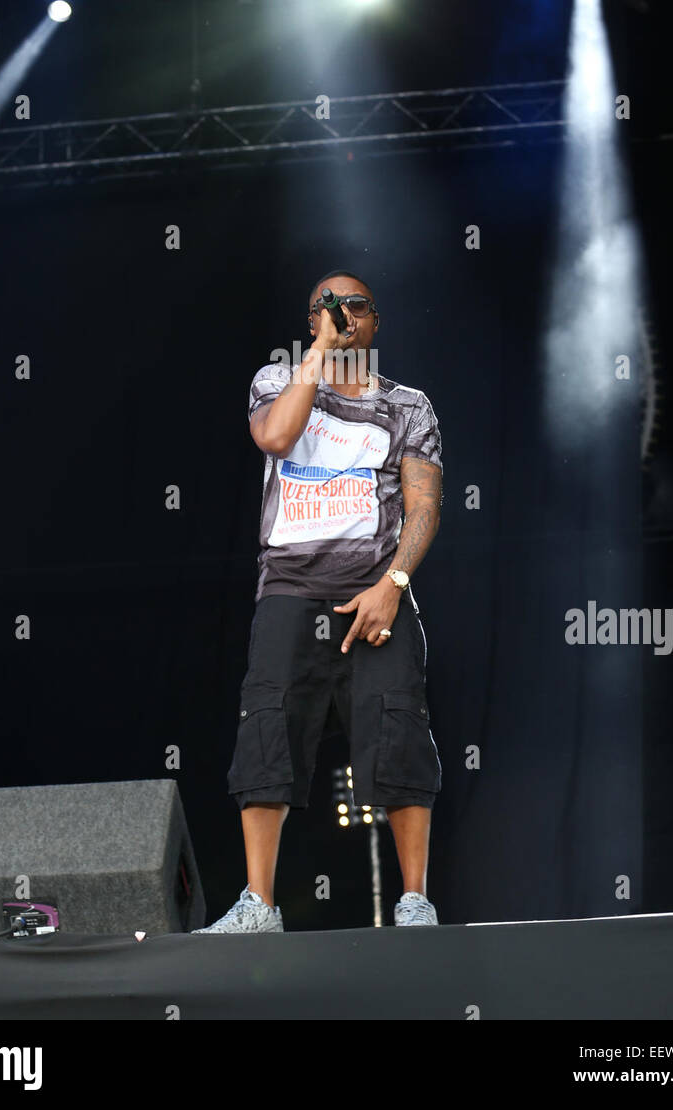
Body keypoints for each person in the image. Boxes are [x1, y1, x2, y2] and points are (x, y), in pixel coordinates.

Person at [192, 270, 443, 933]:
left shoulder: (408, 405)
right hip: (290, 592)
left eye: (356, 305)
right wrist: (318, 355)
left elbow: (423, 506)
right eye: (327, 308)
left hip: (375, 592)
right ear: (311, 322)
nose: (343, 315)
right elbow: (275, 438)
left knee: (397, 732)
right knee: (266, 729)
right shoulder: (277, 380)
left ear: (376, 319)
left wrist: (391, 587)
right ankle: (259, 904)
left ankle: (414, 901)